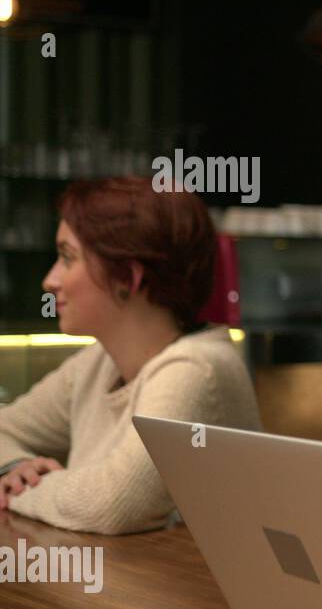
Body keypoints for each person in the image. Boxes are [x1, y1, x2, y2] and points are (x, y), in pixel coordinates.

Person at [0, 176, 262, 535]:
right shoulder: (98, 362)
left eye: (67, 257)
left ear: (129, 277)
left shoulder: (196, 369)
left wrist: (19, 490)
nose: (50, 280)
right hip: (121, 586)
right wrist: (15, 467)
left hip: (191, 592)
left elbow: (113, 505)